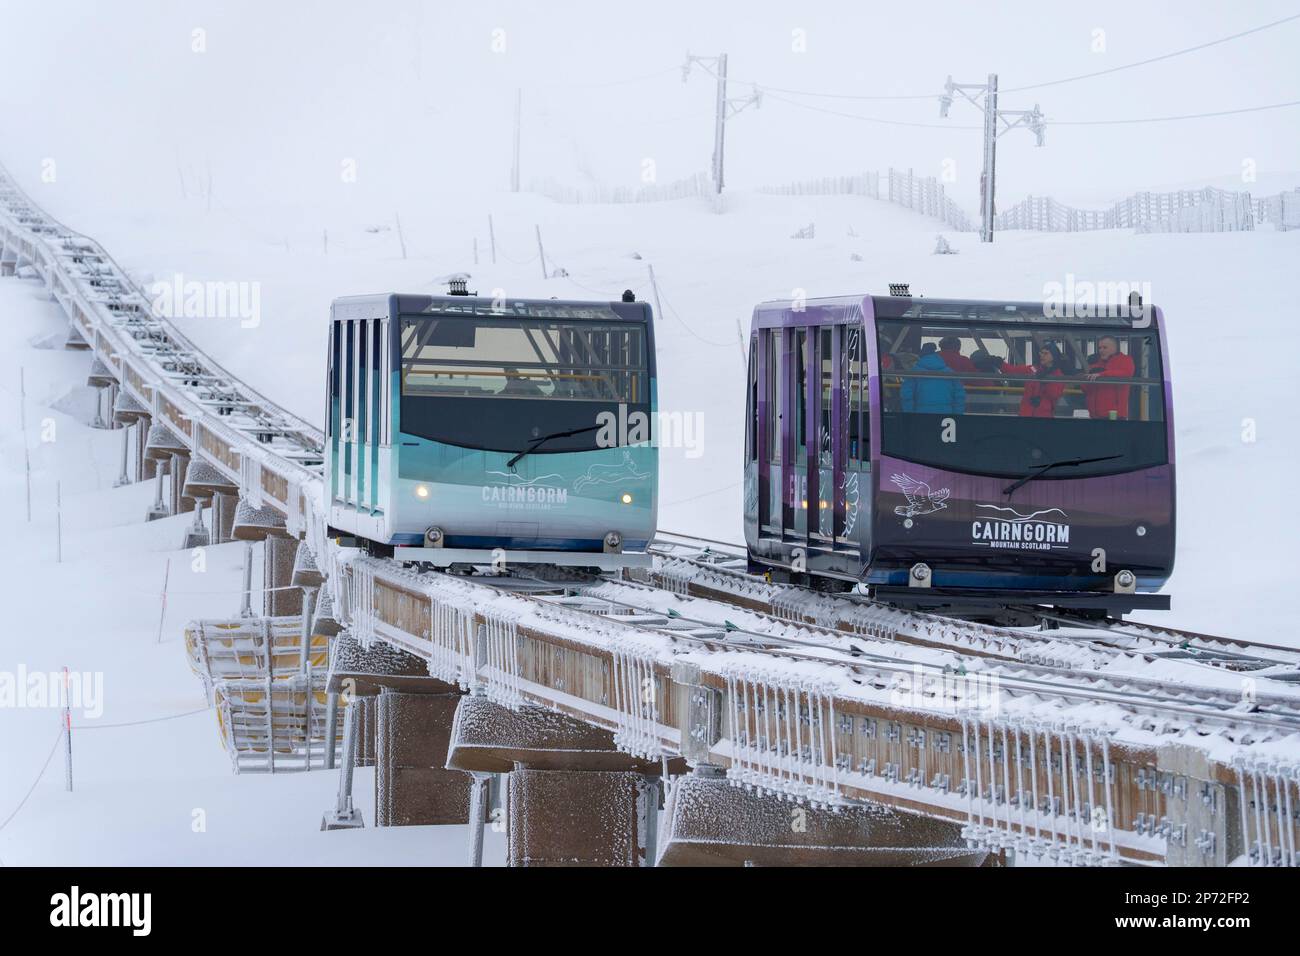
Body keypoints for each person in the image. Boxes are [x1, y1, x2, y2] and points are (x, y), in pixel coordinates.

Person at [1003, 343, 1067, 418]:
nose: (1042, 356)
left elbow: (1054, 395)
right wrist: (999, 363)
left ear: (1054, 356)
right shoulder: (1033, 369)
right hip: (1025, 414)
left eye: (1046, 353)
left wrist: (1046, 380)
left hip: (1044, 416)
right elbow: (1012, 370)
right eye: (1041, 353)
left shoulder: (1059, 376)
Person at [901, 342, 966, 414]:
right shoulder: (949, 372)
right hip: (946, 413)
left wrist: (909, 414)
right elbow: (959, 396)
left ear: (921, 355)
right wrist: (957, 414)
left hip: (920, 413)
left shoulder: (914, 372)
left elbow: (906, 395)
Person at [1082, 335, 1135, 419]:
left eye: (1105, 347)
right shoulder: (1095, 363)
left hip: (1115, 416)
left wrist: (1102, 374)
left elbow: (1125, 374)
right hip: (1094, 415)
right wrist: (1086, 377)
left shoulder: (1125, 360)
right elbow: (1086, 390)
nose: (1101, 350)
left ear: (1114, 348)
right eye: (1099, 348)